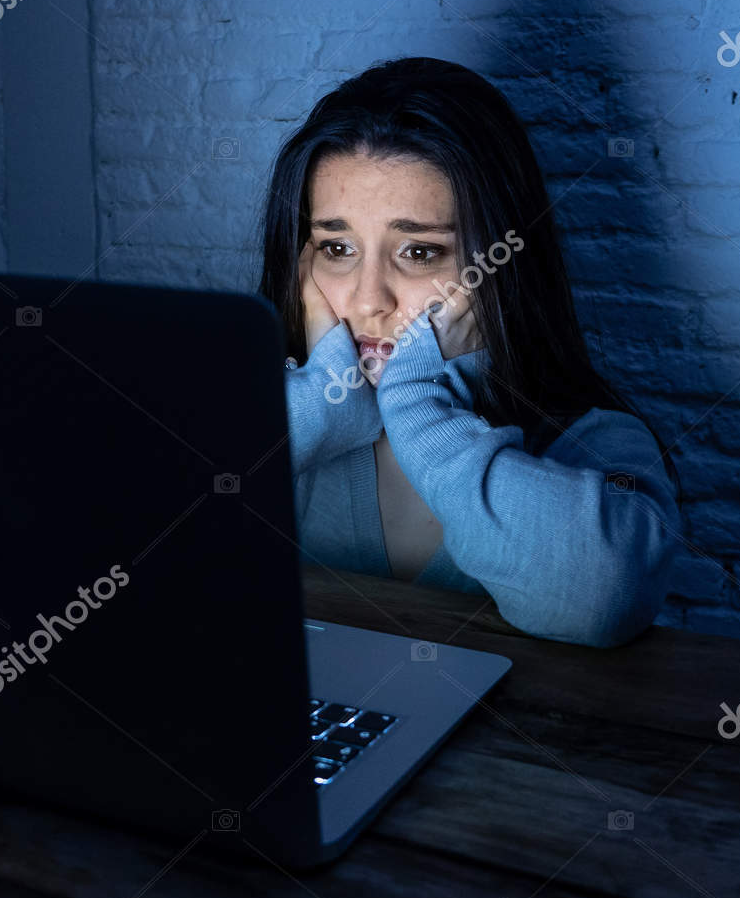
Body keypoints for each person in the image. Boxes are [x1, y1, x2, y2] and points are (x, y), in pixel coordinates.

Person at [257, 57, 681, 649]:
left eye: (420, 253)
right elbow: (128, 543)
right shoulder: (289, 432)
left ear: (500, 265)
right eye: (337, 247)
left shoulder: (593, 446)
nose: (366, 299)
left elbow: (599, 602)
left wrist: (420, 408)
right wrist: (320, 408)